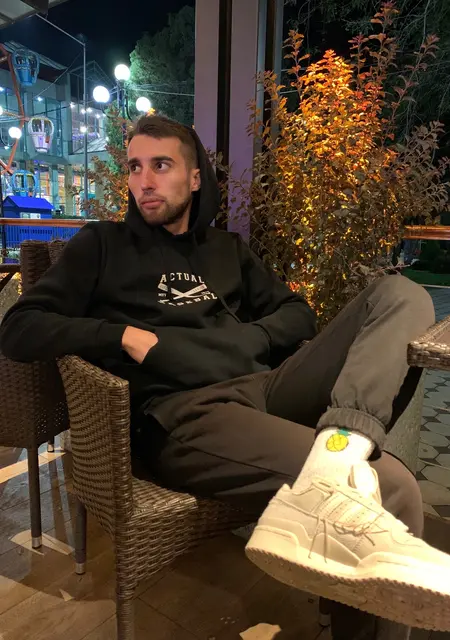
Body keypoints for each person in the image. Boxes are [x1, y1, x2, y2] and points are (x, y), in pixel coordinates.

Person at [2, 115, 450, 639]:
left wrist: (249, 341)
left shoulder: (226, 250)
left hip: (264, 387)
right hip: (184, 412)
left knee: (401, 295)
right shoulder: (101, 244)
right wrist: (121, 335)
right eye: (135, 167)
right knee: (390, 486)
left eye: (161, 165)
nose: (144, 181)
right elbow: (19, 327)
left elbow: (297, 315)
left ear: (195, 178)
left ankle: (339, 454)